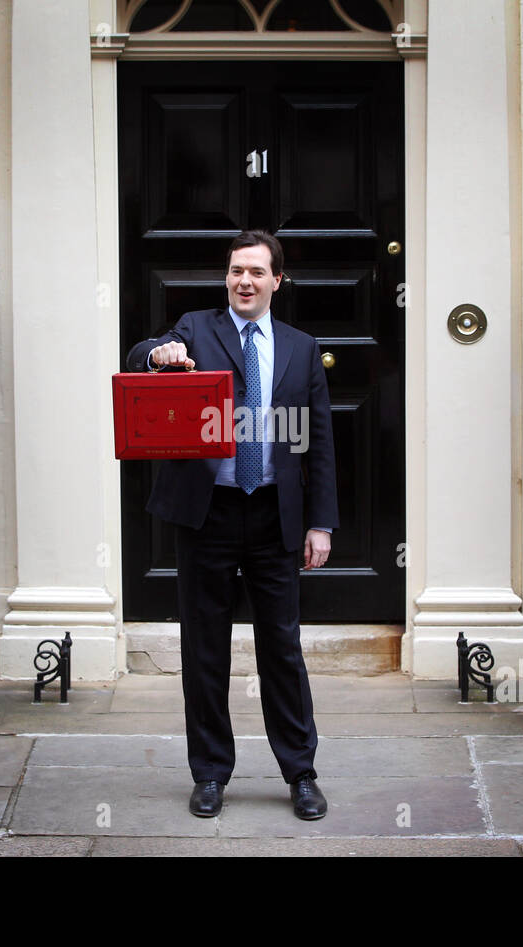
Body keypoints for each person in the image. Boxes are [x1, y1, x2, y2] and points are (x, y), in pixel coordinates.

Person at [124, 230, 340, 820]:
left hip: (274, 516)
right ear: (227, 279)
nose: (244, 281)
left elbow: (318, 443)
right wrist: (156, 355)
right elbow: (139, 357)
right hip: (207, 515)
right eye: (235, 271)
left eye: (255, 272)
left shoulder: (300, 347)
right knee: (204, 650)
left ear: (277, 281)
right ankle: (211, 773)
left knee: (283, 650)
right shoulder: (196, 328)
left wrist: (319, 523)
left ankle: (300, 772)